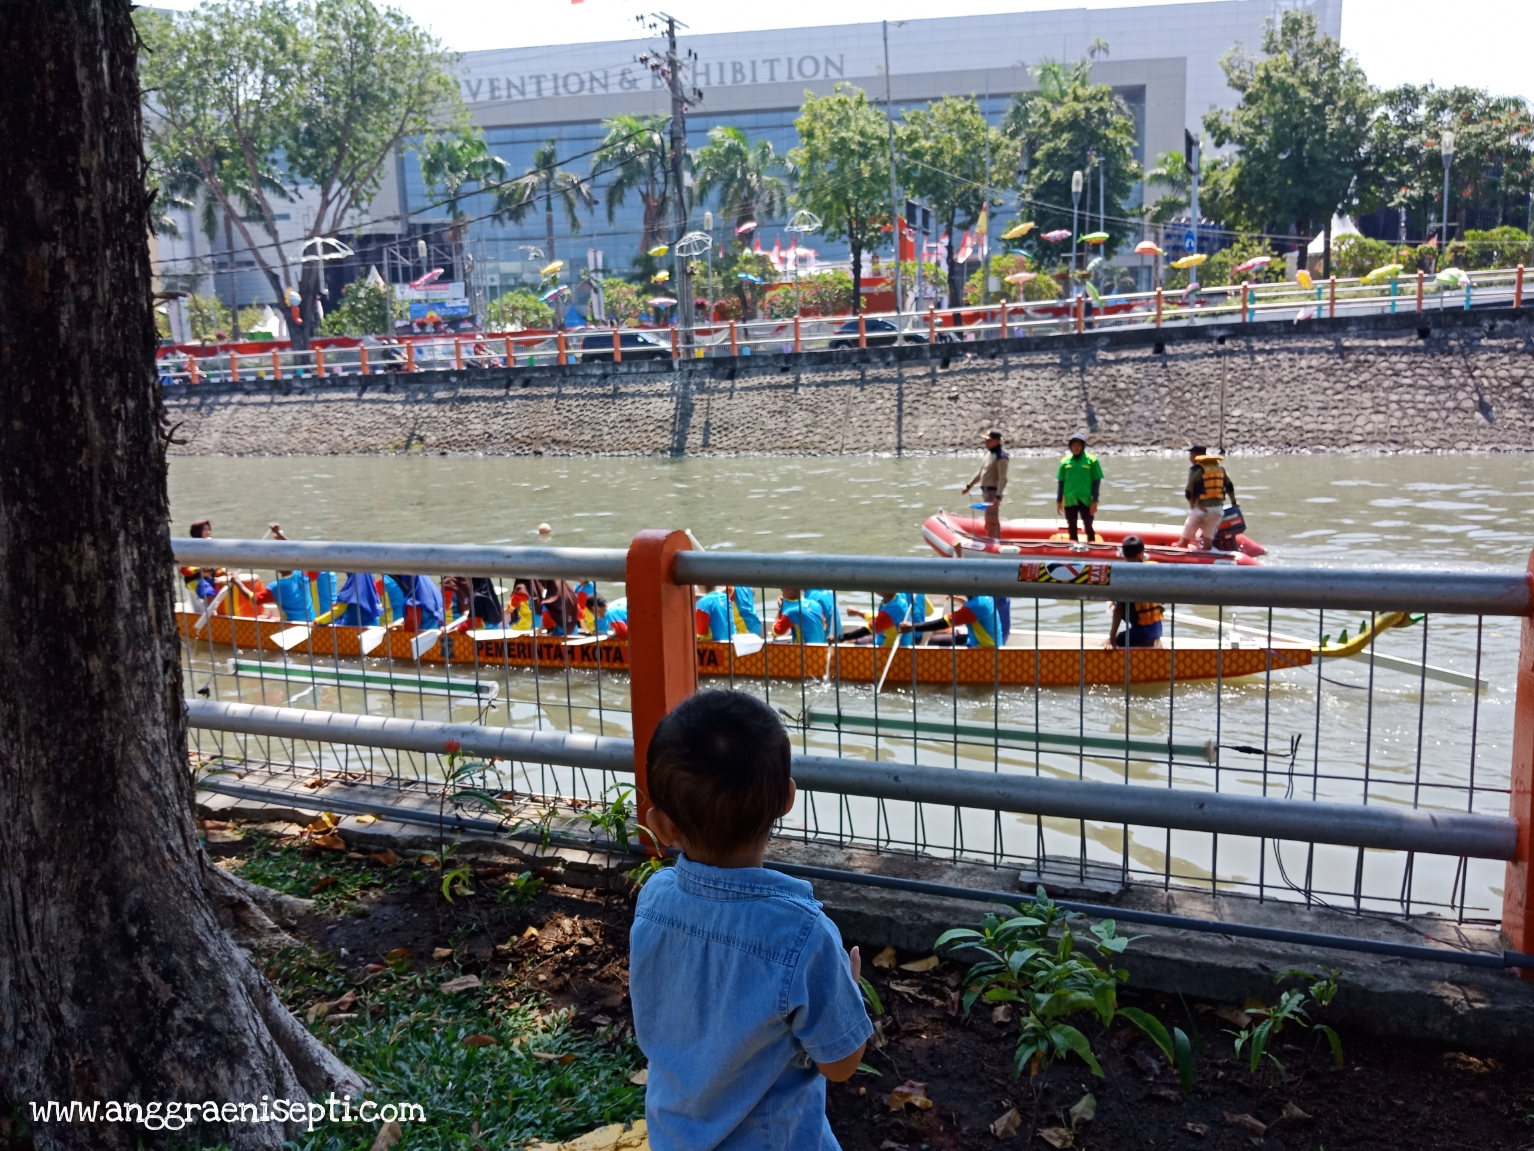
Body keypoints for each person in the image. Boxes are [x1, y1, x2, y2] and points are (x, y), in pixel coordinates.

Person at [632, 690, 871, 1151]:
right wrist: (847, 989)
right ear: (787, 798)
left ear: (661, 827)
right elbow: (841, 1066)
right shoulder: (804, 936)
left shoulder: (653, 901)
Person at [1105, 536, 1164, 648]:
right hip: (1157, 630)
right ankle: (1155, 639)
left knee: (1116, 604)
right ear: (1140, 554)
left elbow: (1119, 609)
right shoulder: (1154, 568)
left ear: (1124, 554)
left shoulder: (1126, 575)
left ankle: (1145, 641)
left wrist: (1112, 639)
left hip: (1142, 634)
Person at [1178, 445, 1234, 549]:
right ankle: (1207, 555)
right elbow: (1229, 486)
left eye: (1191, 454)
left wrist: (1193, 507)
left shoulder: (1196, 470)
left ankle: (1179, 556)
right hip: (1217, 510)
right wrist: (1233, 501)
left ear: (1197, 456)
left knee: (1184, 541)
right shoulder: (1219, 468)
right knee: (1208, 543)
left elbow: (1189, 491)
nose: (1190, 457)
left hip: (1201, 509)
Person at [902, 594, 1001, 647]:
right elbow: (976, 610)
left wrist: (912, 627)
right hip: (983, 640)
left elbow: (942, 623)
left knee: (932, 641)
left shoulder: (976, 606)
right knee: (938, 634)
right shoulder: (984, 596)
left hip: (984, 649)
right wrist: (960, 600)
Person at [961, 430, 1009, 539]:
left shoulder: (1001, 457)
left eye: (989, 440)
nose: (986, 443)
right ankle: (995, 539)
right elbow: (981, 472)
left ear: (997, 441)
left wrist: (998, 496)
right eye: (985, 440)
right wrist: (969, 485)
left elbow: (1003, 478)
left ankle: (993, 542)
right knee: (990, 519)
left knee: (991, 521)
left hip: (993, 492)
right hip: (986, 492)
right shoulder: (988, 454)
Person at [1055, 433, 1103, 543]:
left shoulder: (1092, 460)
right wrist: (1059, 501)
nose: (1076, 447)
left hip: (1086, 499)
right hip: (1069, 499)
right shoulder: (1064, 461)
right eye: (1074, 445)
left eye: (1078, 445)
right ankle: (1073, 550)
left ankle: (1092, 547)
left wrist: (1095, 501)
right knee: (1071, 526)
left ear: (1083, 446)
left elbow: (1096, 481)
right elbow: (1061, 482)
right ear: (1070, 446)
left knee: (1088, 525)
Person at [839, 592, 913, 647]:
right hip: (883, 637)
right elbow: (881, 618)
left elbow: (868, 630)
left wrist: (840, 638)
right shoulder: (897, 597)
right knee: (853, 636)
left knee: (847, 642)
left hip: (889, 647)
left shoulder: (895, 608)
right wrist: (859, 613)